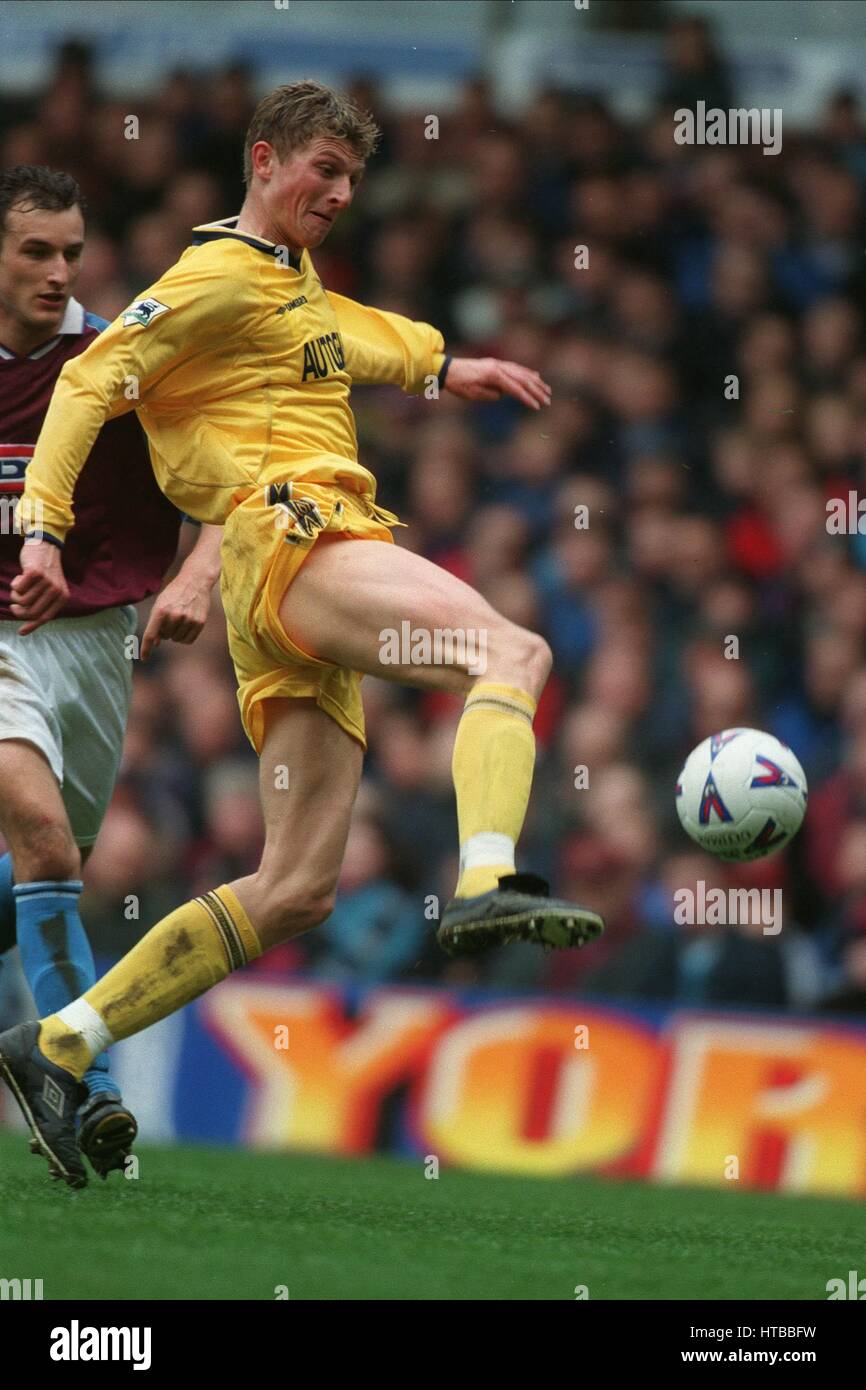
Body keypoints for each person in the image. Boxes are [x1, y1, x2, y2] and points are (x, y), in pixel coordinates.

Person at [0, 82, 603, 1188]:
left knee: (294, 887)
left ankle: (59, 1040)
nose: (336, 194)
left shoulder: (286, 284)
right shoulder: (213, 274)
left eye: (352, 180)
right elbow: (90, 381)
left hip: (277, 584)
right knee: (508, 652)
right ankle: (482, 880)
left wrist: (438, 364)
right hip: (295, 535)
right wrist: (42, 530)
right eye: (320, 171)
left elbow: (342, 336)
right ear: (264, 159)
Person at [0, 164, 222, 1177]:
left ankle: (43, 1058)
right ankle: (84, 1090)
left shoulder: (126, 359)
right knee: (46, 844)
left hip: (96, 646)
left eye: (70, 251)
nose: (56, 270)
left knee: (48, 868)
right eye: (33, 250)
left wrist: (200, 578)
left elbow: (239, 478)